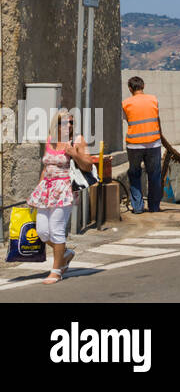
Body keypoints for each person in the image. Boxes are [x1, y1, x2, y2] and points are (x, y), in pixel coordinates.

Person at [28, 110, 95, 284]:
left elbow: (88, 166)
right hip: (46, 190)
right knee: (42, 232)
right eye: (65, 123)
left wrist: (74, 153)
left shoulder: (77, 141)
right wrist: (38, 191)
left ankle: (56, 271)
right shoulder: (50, 140)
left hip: (64, 190)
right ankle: (65, 254)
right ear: (56, 125)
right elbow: (45, 168)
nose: (69, 126)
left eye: (71, 122)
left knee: (56, 230)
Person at [121, 75, 163, 214]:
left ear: (130, 88)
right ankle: (154, 207)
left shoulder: (126, 103)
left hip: (134, 145)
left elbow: (127, 120)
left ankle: (138, 207)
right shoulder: (153, 99)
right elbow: (156, 118)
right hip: (153, 143)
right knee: (154, 175)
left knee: (134, 174)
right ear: (143, 86)